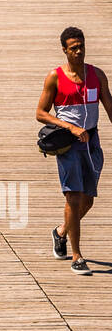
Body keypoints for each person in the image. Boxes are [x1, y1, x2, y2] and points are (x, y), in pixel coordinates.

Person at [37, 28, 112, 276]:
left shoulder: (97, 76)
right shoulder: (55, 77)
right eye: (73, 48)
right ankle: (77, 256)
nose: (78, 51)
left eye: (81, 46)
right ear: (64, 50)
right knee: (74, 196)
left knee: (88, 199)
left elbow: (110, 108)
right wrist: (70, 126)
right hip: (68, 144)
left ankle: (60, 232)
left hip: (92, 143)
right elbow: (41, 113)